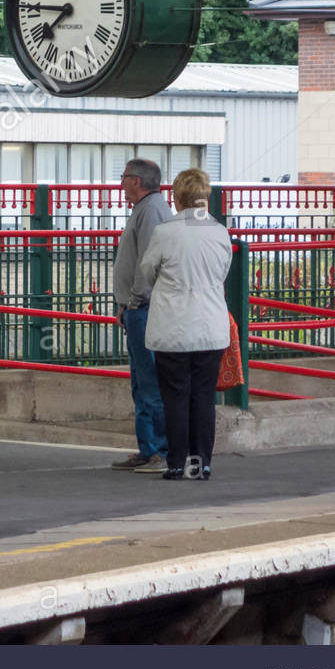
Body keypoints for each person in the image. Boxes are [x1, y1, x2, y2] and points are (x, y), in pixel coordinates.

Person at [138, 168, 233, 480]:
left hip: (174, 329)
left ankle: (177, 464)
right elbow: (223, 273)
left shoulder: (165, 233)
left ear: (176, 199)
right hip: (210, 329)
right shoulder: (220, 231)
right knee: (203, 399)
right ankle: (201, 464)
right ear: (204, 198)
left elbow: (146, 273)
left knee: (175, 397)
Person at [110, 158, 173, 474]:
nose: (120, 183)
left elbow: (148, 264)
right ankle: (148, 448)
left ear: (136, 180)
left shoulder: (149, 211)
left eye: (123, 177)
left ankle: (158, 451)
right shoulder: (147, 209)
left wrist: (133, 300)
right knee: (141, 381)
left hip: (143, 309)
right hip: (137, 308)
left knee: (149, 381)